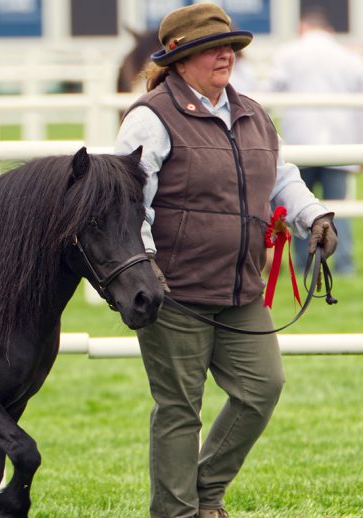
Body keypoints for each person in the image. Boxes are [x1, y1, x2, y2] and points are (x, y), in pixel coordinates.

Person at [115, 4, 338, 517]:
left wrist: (315, 217)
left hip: (240, 287)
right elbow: (130, 201)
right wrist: (147, 267)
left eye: (228, 48)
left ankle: (205, 489)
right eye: (211, 49)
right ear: (179, 60)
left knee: (263, 386)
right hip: (174, 292)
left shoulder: (252, 112)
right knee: (179, 410)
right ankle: (178, 512)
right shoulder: (149, 118)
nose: (225, 56)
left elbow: (281, 176)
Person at [268, 7, 362, 275]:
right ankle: (343, 266)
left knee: (298, 207)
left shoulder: (287, 54)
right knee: (338, 208)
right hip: (341, 143)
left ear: (302, 27)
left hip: (300, 141)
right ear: (329, 30)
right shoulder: (349, 57)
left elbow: (272, 92)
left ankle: (303, 267)